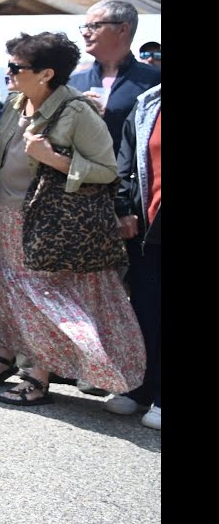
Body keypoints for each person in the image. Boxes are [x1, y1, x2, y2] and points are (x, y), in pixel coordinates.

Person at [0, 32, 145, 408]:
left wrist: (53, 158)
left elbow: (107, 171)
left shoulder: (77, 111)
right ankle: (6, 355)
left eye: (17, 67)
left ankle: (38, 376)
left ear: (46, 73)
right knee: (10, 292)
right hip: (5, 213)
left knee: (40, 298)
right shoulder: (17, 102)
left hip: (46, 222)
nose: (10, 73)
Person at [105, 84, 161, 429]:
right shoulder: (148, 102)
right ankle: (140, 389)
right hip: (148, 226)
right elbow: (126, 163)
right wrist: (124, 208)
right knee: (145, 308)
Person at [68, 0, 160, 158]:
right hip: (79, 176)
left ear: (122, 29)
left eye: (95, 26)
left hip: (130, 178)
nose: (85, 33)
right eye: (85, 26)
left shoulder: (154, 82)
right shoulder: (73, 82)